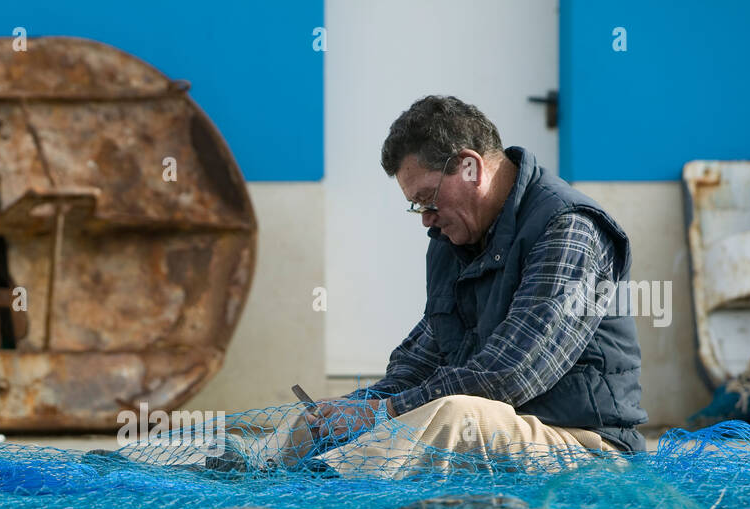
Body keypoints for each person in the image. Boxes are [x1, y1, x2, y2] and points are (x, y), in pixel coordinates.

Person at [262, 95, 648, 477]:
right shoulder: (454, 241)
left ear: (470, 168)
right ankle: (256, 465)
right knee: (321, 419)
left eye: (428, 199)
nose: (426, 219)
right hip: (506, 431)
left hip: (586, 447)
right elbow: (419, 364)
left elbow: (510, 374)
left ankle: (325, 484)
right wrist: (348, 409)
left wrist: (381, 413)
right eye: (416, 206)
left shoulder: (568, 227)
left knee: (454, 416)